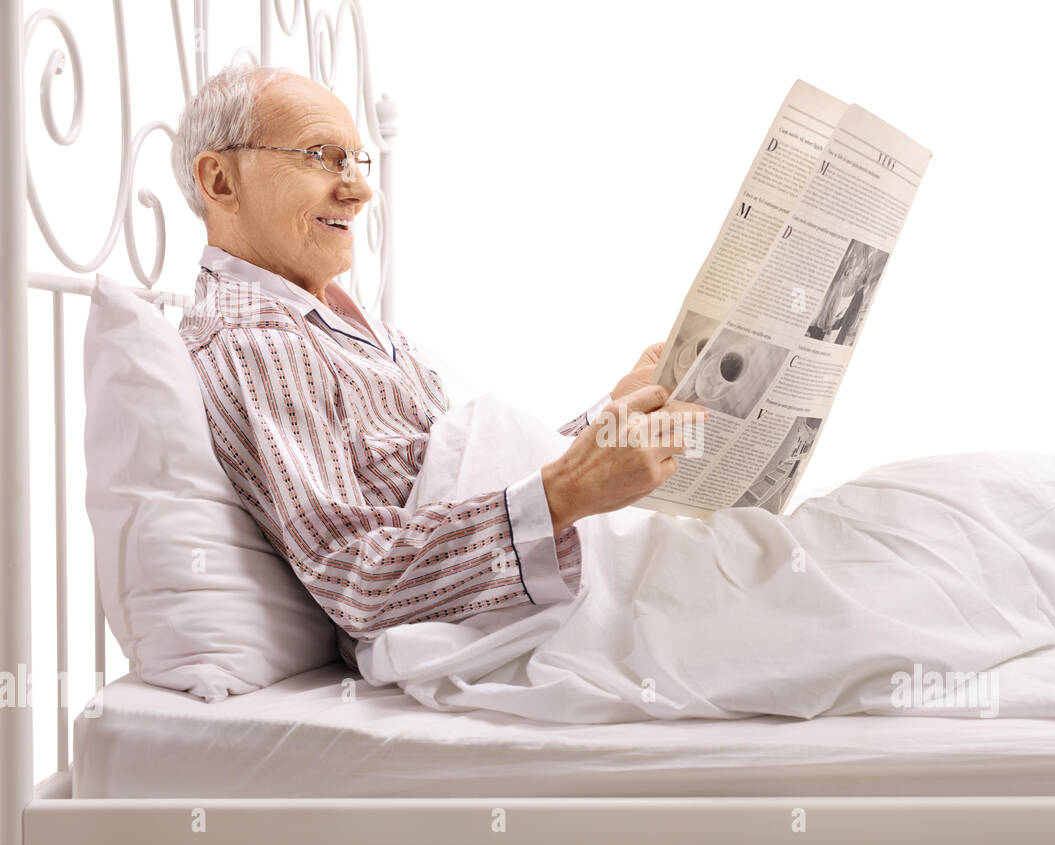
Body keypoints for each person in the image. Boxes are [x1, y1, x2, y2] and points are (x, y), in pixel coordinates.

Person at [173, 65, 706, 667]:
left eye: (355, 160)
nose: (359, 190)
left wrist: (608, 419)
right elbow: (357, 579)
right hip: (533, 613)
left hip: (556, 581)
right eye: (322, 157)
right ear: (220, 180)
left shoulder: (336, 323)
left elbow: (462, 491)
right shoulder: (254, 340)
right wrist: (568, 490)